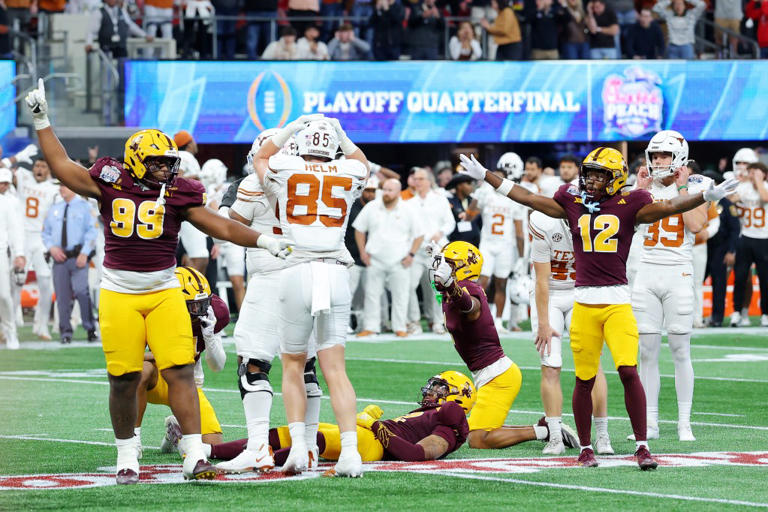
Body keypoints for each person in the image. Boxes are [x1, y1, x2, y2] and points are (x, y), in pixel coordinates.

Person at [25, 78, 290, 484]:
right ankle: (127, 454)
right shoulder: (110, 181)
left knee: (180, 370)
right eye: (159, 162)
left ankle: (195, 454)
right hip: (118, 291)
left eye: (170, 161)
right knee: (124, 376)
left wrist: (263, 239)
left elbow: (217, 225)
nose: (167, 168)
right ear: (134, 162)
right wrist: (43, 120)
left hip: (164, 289)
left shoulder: (179, 192)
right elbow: (63, 168)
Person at [458, 147, 738, 469]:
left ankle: (643, 446)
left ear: (615, 178)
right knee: (584, 378)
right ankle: (586, 447)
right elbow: (529, 199)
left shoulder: (631, 202)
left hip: (618, 301)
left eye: (598, 174)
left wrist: (706, 195)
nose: (590, 179)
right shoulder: (573, 201)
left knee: (629, 371)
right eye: (588, 172)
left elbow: (671, 205)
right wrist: (487, 178)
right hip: (585, 302)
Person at [252, 115, 369, 477]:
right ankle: (350, 453)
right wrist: (342, 133)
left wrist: (290, 127)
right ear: (331, 146)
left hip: (297, 269)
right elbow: (362, 163)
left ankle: (299, 450)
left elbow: (261, 158)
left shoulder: (285, 165)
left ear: (300, 145)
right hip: (334, 270)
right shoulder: (348, 170)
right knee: (335, 369)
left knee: (292, 365)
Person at [218, 129, 324, 474]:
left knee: (253, 363)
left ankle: (258, 447)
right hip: (314, 277)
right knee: (305, 366)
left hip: (271, 277)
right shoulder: (321, 180)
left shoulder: (254, 182)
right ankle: (307, 449)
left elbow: (231, 225)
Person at [430, 241, 580, 451]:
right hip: (487, 373)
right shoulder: (453, 290)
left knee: (478, 439)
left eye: (449, 265)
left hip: (498, 377)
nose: (441, 269)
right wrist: (443, 260)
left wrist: (451, 285)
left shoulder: (468, 289)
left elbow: (470, 308)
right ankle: (544, 427)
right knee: (475, 430)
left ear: (464, 267)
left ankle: (545, 431)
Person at [632, 131, 710, 442]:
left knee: (680, 349)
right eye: (654, 156)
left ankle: (684, 423)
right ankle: (649, 423)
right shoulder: (640, 187)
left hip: (678, 272)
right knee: (646, 352)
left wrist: (681, 186)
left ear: (678, 156)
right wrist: (639, 191)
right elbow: (629, 223)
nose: (658, 161)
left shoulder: (698, 184)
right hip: (647, 272)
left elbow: (695, 224)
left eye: (664, 155)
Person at [529, 182, 613, 456]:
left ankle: (602, 435)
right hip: (551, 295)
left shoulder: (597, 222)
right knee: (551, 364)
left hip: (583, 293)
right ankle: (555, 435)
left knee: (592, 365)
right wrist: (543, 322)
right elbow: (542, 280)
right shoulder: (544, 223)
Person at [136, 267, 229, 460]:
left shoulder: (213, 312)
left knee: (213, 446)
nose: (200, 310)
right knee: (140, 372)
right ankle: (133, 440)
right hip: (158, 380)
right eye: (193, 306)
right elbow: (129, 358)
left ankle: (177, 432)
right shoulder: (151, 309)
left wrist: (210, 337)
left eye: (203, 303)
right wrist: (166, 355)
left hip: (189, 385)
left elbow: (217, 366)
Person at [354, 178, 423, 337]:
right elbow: (359, 230)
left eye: (390, 190)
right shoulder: (372, 207)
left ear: (398, 192)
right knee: (371, 294)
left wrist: (411, 254)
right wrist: (363, 252)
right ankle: (371, 327)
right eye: (384, 189)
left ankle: (400, 327)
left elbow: (419, 235)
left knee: (401, 295)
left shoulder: (407, 209)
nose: (386, 193)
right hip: (375, 259)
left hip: (400, 261)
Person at [42, 183, 99, 344]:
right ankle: (65, 332)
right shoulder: (55, 209)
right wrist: (51, 248)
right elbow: (45, 233)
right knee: (62, 297)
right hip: (60, 258)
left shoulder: (85, 207)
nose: (61, 189)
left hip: (78, 256)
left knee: (82, 291)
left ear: (73, 188)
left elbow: (92, 231)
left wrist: (85, 252)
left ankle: (90, 328)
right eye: (60, 186)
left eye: (65, 186)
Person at [472, 163, 525, 334]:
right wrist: (476, 195)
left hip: (505, 246)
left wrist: (522, 257)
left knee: (502, 284)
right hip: (487, 244)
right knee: (482, 282)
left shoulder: (512, 199)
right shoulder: (486, 194)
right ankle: (477, 318)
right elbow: (471, 213)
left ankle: (498, 321)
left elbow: (519, 231)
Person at [11, 157, 57, 341]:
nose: (39, 169)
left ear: (48, 170)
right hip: (21, 237)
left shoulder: (54, 188)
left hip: (41, 238)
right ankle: (11, 326)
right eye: (37, 165)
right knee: (16, 283)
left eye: (43, 166)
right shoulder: (23, 177)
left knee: (45, 283)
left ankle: (42, 325)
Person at [407, 167, 455, 335]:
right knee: (410, 286)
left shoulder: (440, 199)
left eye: (421, 179)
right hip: (416, 251)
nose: (417, 182)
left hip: (435, 250)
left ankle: (437, 322)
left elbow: (450, 223)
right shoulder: (408, 203)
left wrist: (440, 233)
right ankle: (414, 321)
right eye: (415, 179)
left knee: (436, 288)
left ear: (429, 181)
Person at [730, 161, 768, 327]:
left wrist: (759, 180)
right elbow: (731, 199)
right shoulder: (744, 187)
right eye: (750, 172)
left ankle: (765, 313)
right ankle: (737, 312)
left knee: (765, 279)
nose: (751, 175)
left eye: (755, 172)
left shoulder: (765, 186)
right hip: (745, 236)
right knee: (740, 277)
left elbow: (765, 197)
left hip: (764, 237)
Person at [705, 172, 740, 327]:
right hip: (704, 247)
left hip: (721, 248)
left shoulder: (726, 204)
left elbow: (734, 229)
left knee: (719, 283)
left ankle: (717, 317)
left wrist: (731, 250)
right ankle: (693, 316)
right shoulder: (702, 202)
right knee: (694, 282)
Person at [0, 168, 25, 350]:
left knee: (4, 295)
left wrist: (19, 253)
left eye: (5, 183)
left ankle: (11, 332)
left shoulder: (10, 202)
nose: (2, 186)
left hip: (2, 251)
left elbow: (16, 230)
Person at [84, 0, 153, 58]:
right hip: (106, 47)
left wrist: (144, 35)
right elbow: (91, 31)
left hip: (121, 47)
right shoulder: (99, 12)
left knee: (122, 69)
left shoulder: (122, 11)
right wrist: (89, 43)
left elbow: (131, 26)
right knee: (106, 70)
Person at [446, 173, 481, 247]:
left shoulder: (474, 202)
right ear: (459, 186)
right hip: (456, 245)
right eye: (468, 183)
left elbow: (480, 223)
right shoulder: (449, 202)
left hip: (475, 245)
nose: (471, 186)